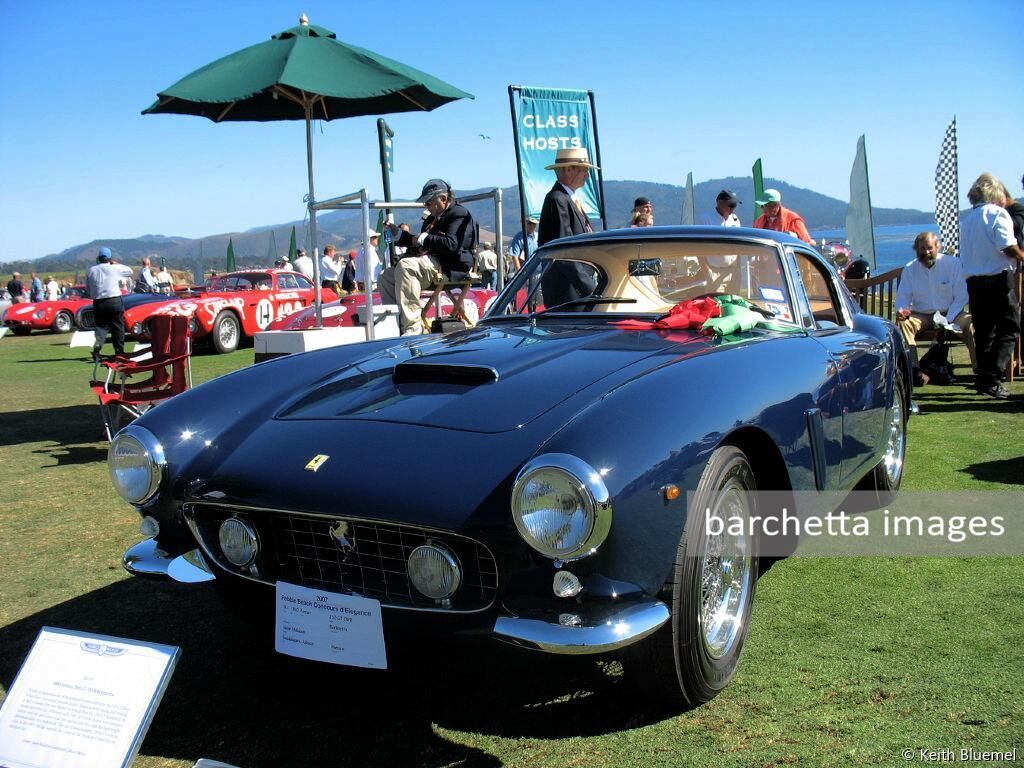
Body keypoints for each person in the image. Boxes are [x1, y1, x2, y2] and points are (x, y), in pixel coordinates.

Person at [381, 178, 476, 335]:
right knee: (386, 277)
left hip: (450, 265)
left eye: (429, 203)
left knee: (406, 266)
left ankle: (413, 328)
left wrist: (423, 238)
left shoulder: (459, 214)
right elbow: (417, 241)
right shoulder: (432, 218)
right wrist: (398, 234)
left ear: (444, 199)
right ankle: (395, 325)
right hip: (432, 263)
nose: (426, 206)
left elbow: (452, 245)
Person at [959, 172, 1024, 399]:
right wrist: (1021, 256)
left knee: (985, 332)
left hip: (974, 282)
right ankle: (992, 376)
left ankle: (984, 378)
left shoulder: (966, 221)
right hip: (998, 277)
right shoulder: (998, 214)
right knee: (1009, 326)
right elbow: (1006, 246)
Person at [895, 232, 976, 384]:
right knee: (904, 324)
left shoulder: (953, 264)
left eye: (930, 248)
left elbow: (961, 296)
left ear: (937, 247)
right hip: (923, 315)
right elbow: (903, 297)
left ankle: (980, 372)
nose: (926, 252)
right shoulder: (910, 269)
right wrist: (901, 311)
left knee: (971, 324)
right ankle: (914, 370)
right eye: (922, 249)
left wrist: (948, 319)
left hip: (952, 312)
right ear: (916, 249)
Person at [538, 148, 600, 306]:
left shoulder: (567, 199)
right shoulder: (557, 200)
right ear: (568, 170)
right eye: (584, 170)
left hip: (574, 290)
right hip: (568, 293)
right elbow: (564, 251)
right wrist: (590, 290)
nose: (587, 174)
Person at [86, 247, 133, 361]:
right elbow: (130, 271)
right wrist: (116, 263)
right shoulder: (115, 268)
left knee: (101, 327)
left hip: (99, 302)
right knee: (118, 327)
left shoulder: (91, 270)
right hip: (114, 300)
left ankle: (97, 349)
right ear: (109, 258)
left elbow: (88, 288)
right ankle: (119, 352)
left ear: (98, 258)